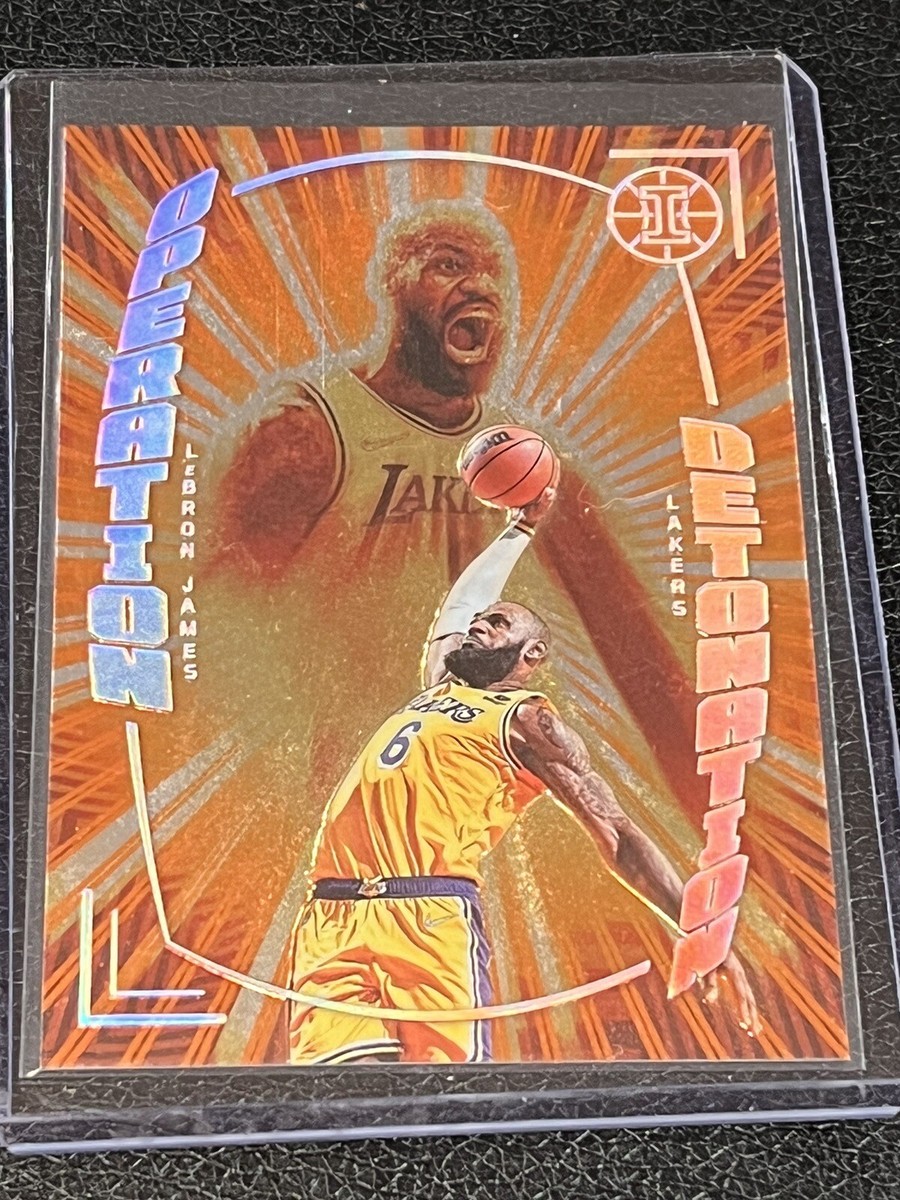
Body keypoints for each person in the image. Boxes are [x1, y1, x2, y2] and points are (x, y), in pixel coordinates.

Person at [287, 486, 761, 1065]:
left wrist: (703, 929)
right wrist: (520, 529)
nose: (478, 626)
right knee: (339, 1096)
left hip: (426, 916)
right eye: (479, 622)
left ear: (531, 654)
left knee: (435, 1102)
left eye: (498, 623)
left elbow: (616, 834)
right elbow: (458, 605)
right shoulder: (441, 687)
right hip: (331, 912)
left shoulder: (527, 721)